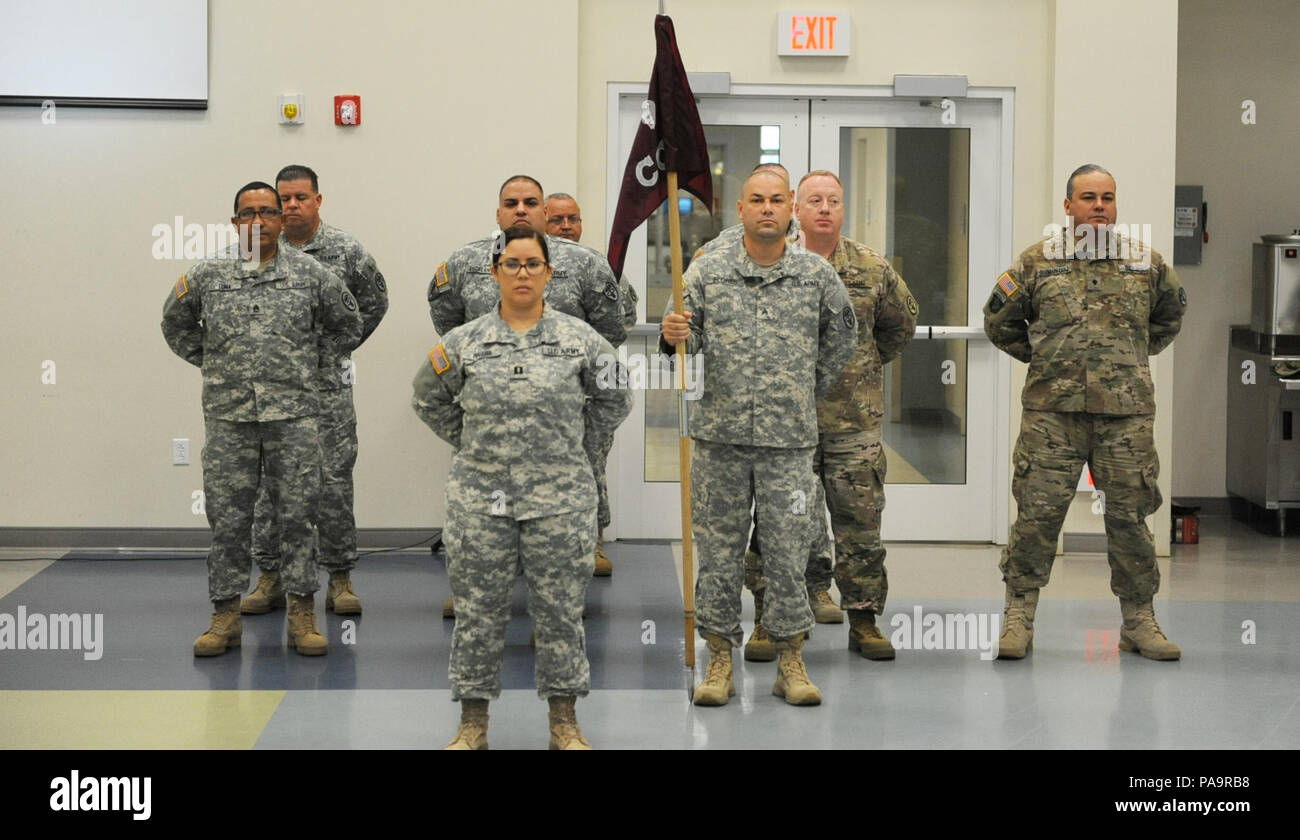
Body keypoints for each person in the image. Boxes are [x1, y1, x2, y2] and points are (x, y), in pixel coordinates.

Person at [413, 227, 632, 749]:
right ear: (494, 273)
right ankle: (472, 726)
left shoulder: (581, 340)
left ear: (549, 273)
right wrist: (473, 443)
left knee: (559, 613)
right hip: (479, 502)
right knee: (477, 613)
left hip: (560, 501)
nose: (523, 274)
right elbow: (427, 399)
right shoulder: (462, 342)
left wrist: (576, 446)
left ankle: (564, 724)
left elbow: (615, 399)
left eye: (533, 264)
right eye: (512, 264)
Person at [660, 167, 855, 708]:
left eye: (776, 200)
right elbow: (687, 342)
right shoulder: (708, 271)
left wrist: (799, 389)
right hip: (719, 440)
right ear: (739, 209)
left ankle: (791, 658)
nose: (767, 208)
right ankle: (719, 657)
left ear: (790, 207)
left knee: (789, 552)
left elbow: (842, 340)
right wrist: (675, 333)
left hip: (789, 444)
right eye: (756, 200)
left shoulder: (815, 275)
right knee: (719, 553)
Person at [984, 164, 1186, 660]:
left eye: (1108, 198)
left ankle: (1139, 620)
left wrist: (1126, 358)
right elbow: (997, 321)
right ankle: (1019, 617)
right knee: (1036, 516)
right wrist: (1049, 359)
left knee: (1131, 518)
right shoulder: (1036, 264)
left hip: (1125, 417)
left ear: (1116, 206)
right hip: (1052, 417)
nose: (1099, 206)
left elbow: (1169, 318)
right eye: (1089, 197)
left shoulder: (1147, 265)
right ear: (1068, 206)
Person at [161, 181, 362, 657]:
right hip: (230, 417)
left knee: (298, 517)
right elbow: (174, 324)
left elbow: (348, 324)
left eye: (267, 212)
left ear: (279, 221)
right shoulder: (208, 274)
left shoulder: (311, 273)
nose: (258, 221)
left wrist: (309, 368)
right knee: (229, 518)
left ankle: (301, 612)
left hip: (294, 417)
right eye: (247, 213)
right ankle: (224, 615)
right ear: (235, 223)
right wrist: (214, 363)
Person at [744, 170, 919, 662]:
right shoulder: (775, 263)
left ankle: (863, 620)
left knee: (860, 524)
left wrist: (859, 370)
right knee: (778, 524)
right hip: (786, 424)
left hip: (851, 423)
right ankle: (766, 620)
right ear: (796, 209)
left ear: (844, 209)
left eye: (834, 201)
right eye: (814, 200)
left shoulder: (872, 267)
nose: (824, 209)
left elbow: (898, 328)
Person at [430, 176, 626, 616]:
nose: (520, 210)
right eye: (510, 203)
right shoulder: (464, 262)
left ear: (543, 213)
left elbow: (613, 327)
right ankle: (470, 589)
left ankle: (565, 591)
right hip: (488, 415)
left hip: (562, 414)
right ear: (497, 212)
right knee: (482, 507)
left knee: (566, 506)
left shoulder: (585, 264)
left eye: (530, 203)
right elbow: (448, 322)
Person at [241, 164, 389, 617]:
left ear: (318, 200)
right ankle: (270, 576)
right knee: (270, 485)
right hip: (271, 391)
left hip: (326, 392)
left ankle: (339, 578)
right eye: (283, 200)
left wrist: (329, 351)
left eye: (300, 198)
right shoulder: (256, 246)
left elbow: (374, 303)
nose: (291, 207)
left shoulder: (345, 249)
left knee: (332, 483)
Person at [545, 190, 639, 575]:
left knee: (590, 467)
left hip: (588, 389)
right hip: (535, 392)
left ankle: (594, 543)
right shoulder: (524, 263)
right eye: (557, 220)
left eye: (573, 219)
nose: (567, 227)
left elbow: (625, 315)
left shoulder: (600, 266)